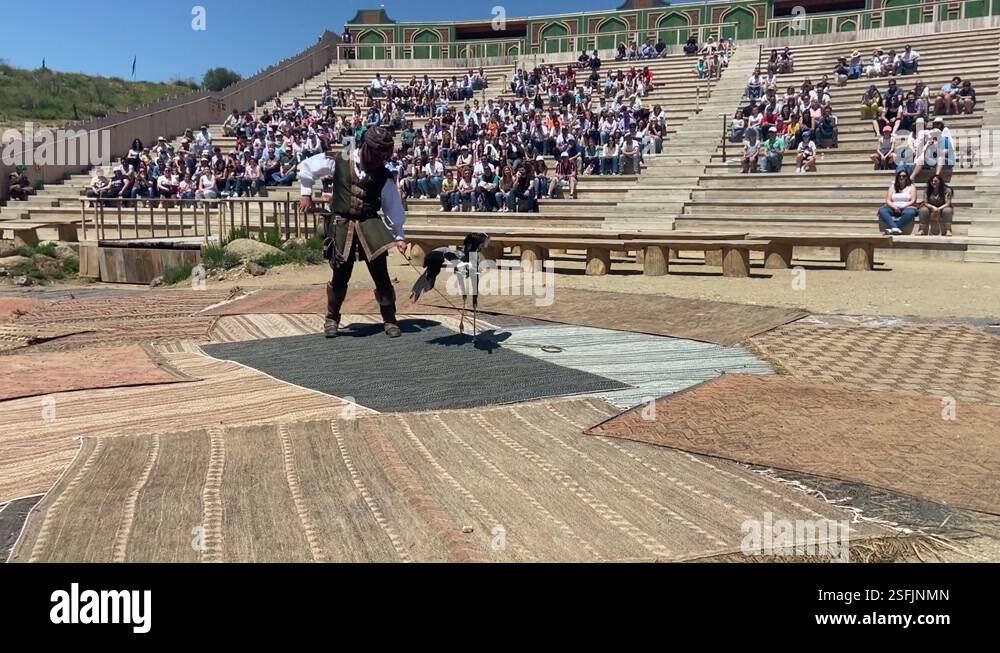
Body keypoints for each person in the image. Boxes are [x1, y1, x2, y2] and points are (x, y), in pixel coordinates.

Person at [297, 127, 407, 339]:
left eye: (383, 156)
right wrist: (306, 194)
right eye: (376, 155)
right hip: (342, 223)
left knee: (381, 275)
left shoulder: (383, 174)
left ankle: (390, 319)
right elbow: (307, 167)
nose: (379, 160)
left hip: (369, 223)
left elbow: (392, 205)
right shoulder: (344, 155)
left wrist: (399, 235)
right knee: (340, 275)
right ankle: (331, 318)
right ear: (365, 147)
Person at [878, 170, 918, 235]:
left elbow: (913, 200)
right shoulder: (893, 186)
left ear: (907, 177)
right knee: (882, 210)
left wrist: (903, 206)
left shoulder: (911, 187)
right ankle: (895, 228)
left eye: (904, 176)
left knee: (910, 212)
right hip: (893, 207)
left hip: (907, 207)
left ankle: (893, 228)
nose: (901, 178)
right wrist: (894, 207)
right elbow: (888, 200)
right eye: (899, 176)